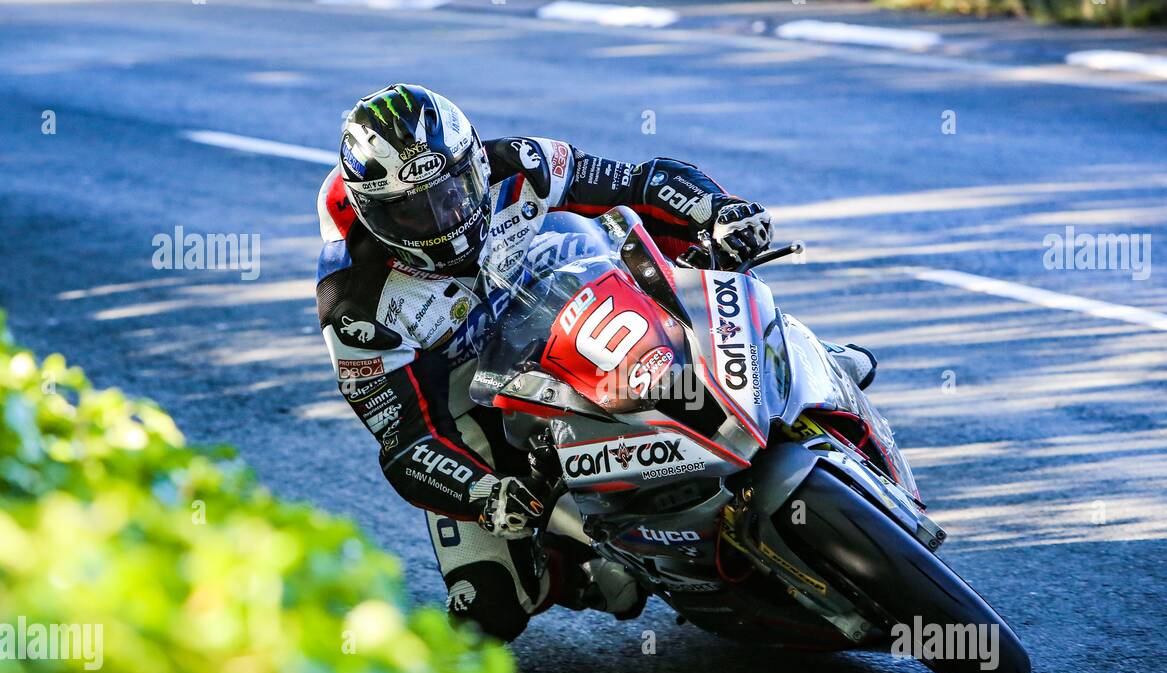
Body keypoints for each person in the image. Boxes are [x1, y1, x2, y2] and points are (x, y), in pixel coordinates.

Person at [314, 83, 874, 641]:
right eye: (412, 213)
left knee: (713, 271)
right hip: (477, 398)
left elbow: (639, 183)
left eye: (453, 192)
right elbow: (408, 438)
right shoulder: (355, 303)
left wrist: (718, 210)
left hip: (583, 305)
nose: (442, 219)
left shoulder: (522, 164)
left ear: (475, 163)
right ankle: (577, 560)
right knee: (489, 613)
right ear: (372, 214)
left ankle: (804, 360)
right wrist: (481, 493)